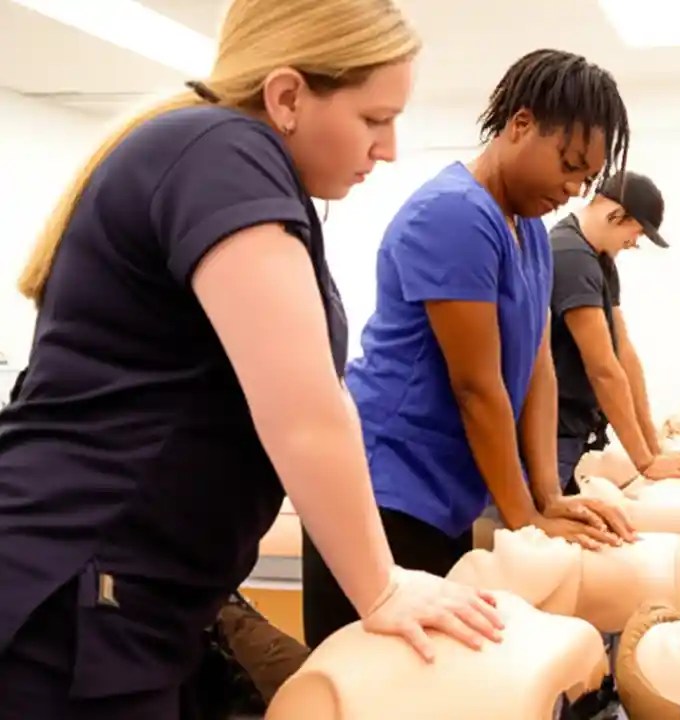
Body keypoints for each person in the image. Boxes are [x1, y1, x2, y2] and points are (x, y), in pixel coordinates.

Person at [0, 2, 506, 717]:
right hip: (72, 594)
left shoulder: (218, 158)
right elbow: (302, 411)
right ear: (288, 96)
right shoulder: (223, 153)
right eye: (373, 119)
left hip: (133, 593)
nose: (389, 147)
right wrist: (382, 586)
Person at [303, 49, 638, 649]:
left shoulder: (528, 230)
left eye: (585, 180)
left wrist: (549, 496)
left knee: (437, 674)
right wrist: (525, 521)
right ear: (520, 125)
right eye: (567, 164)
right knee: (367, 680)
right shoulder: (455, 215)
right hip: (382, 491)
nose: (571, 187)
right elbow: (477, 388)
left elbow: (537, 369)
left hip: (443, 495)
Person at [548, 171, 680, 491]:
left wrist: (653, 449)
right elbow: (603, 368)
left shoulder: (600, 260)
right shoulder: (570, 257)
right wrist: (646, 463)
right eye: (638, 231)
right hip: (555, 435)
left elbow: (624, 352)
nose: (635, 242)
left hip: (581, 430)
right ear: (617, 214)